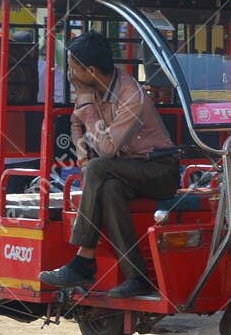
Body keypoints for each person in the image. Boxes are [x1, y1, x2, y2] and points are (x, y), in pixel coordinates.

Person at [40, 32, 179, 299]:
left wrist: (88, 109)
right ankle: (137, 277)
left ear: (90, 70)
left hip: (160, 170)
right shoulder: (92, 87)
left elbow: (105, 149)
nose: (69, 73)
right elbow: (76, 124)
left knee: (98, 169)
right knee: (109, 189)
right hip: (126, 169)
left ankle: (84, 258)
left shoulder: (130, 94)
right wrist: (82, 159)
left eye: (72, 67)